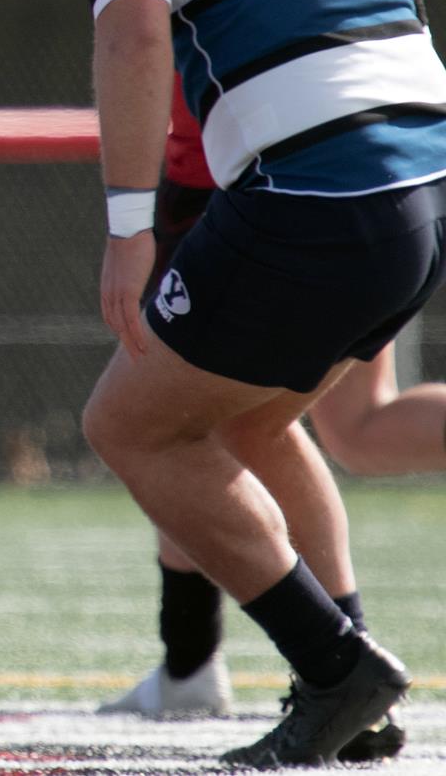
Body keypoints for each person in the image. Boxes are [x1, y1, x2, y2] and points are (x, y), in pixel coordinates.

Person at [71, 0, 446, 764]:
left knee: (124, 422)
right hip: (421, 174)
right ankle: (348, 683)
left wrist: (127, 222)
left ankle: (334, 669)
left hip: (313, 184)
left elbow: (131, 32)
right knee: (251, 423)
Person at [99, 86, 440, 764]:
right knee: (335, 427)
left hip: (268, 175)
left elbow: (138, 37)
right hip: (390, 158)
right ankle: (314, 669)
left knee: (162, 423)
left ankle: (233, 663)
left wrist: (127, 220)